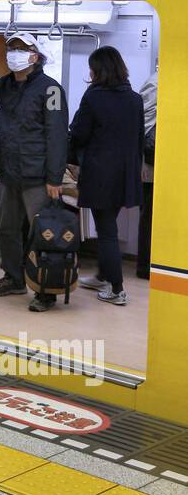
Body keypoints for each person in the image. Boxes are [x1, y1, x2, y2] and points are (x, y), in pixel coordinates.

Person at [0, 31, 68, 312]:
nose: (14, 53)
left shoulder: (51, 89)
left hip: (37, 177)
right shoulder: (5, 86)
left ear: (35, 56)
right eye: (12, 48)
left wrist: (55, 178)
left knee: (41, 233)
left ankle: (46, 289)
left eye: (21, 49)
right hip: (8, 173)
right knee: (7, 230)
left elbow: (57, 136)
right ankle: (13, 277)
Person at [68, 46, 144, 305]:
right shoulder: (135, 99)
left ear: (98, 70)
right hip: (126, 174)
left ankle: (117, 288)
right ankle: (103, 274)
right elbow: (138, 139)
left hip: (100, 173)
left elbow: (78, 133)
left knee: (107, 230)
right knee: (107, 225)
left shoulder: (94, 97)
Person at [135, 69, 157, 281]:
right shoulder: (157, 83)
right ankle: (145, 265)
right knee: (150, 215)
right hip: (151, 163)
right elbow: (144, 121)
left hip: (159, 161)